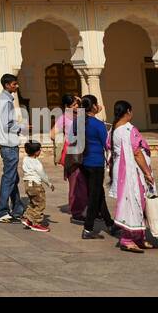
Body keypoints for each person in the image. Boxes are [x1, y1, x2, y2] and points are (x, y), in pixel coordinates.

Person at [107, 100, 154, 253]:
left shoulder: (113, 130)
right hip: (129, 172)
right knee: (132, 203)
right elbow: (137, 152)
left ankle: (139, 237)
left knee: (137, 202)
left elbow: (109, 147)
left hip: (121, 171)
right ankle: (127, 238)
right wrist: (147, 172)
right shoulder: (128, 130)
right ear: (128, 111)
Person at [80, 94, 115, 239]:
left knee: (98, 193)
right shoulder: (97, 124)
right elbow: (107, 143)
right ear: (94, 106)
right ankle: (88, 228)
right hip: (96, 163)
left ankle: (110, 224)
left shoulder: (79, 122)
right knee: (94, 196)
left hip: (84, 162)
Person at [0, 74, 26, 223]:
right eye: (14, 84)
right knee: (9, 178)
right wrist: (22, 127)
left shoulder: (3, 99)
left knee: (13, 177)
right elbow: (8, 124)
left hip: (7, 143)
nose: (16, 86)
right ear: (7, 85)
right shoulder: (5, 101)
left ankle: (18, 207)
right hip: (9, 144)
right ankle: (2, 211)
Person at [50, 93, 88, 223]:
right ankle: (76, 210)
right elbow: (52, 133)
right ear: (67, 106)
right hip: (72, 152)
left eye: (77, 104)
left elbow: (97, 108)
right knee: (74, 181)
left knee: (83, 180)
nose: (76, 106)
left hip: (84, 150)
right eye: (74, 105)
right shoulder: (64, 118)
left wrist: (80, 101)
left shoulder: (82, 115)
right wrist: (67, 140)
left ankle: (84, 207)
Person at [20, 140, 54, 232]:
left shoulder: (25, 159)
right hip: (36, 185)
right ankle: (36, 223)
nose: (40, 151)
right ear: (36, 152)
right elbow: (42, 175)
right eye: (39, 150)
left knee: (33, 202)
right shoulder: (36, 163)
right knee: (40, 204)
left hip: (27, 184)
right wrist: (49, 184)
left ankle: (29, 219)